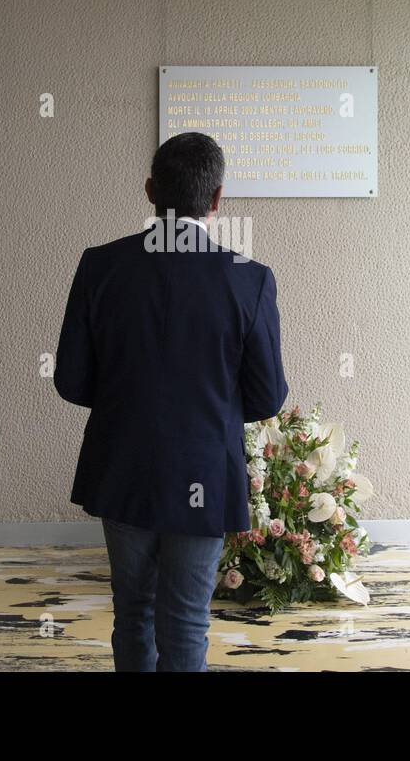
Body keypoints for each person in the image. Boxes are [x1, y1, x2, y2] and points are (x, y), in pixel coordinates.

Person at [54, 132, 288, 671]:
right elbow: (268, 394)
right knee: (185, 623)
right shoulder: (250, 280)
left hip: (122, 466)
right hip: (204, 469)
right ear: (217, 199)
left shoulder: (99, 266)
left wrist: (124, 404)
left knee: (131, 612)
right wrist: (214, 416)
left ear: (150, 190)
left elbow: (70, 381)